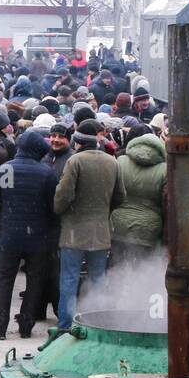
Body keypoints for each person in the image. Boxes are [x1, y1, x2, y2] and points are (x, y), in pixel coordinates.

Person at [0, 130, 56, 339]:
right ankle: (26, 325)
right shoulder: (47, 172)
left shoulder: (4, 169)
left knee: (4, 280)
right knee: (34, 280)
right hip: (38, 236)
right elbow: (53, 207)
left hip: (9, 234)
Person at [55, 119, 124, 330]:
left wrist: (60, 210)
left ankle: (66, 325)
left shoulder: (75, 162)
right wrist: (104, 210)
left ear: (77, 142)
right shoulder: (112, 162)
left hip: (74, 233)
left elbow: (63, 196)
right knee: (98, 280)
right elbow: (120, 196)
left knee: (69, 279)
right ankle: (98, 323)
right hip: (100, 233)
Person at [111, 132, 167, 268]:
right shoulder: (165, 169)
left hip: (118, 225)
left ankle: (114, 289)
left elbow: (111, 193)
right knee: (143, 269)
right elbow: (167, 204)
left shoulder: (120, 161)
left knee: (116, 267)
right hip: (148, 229)